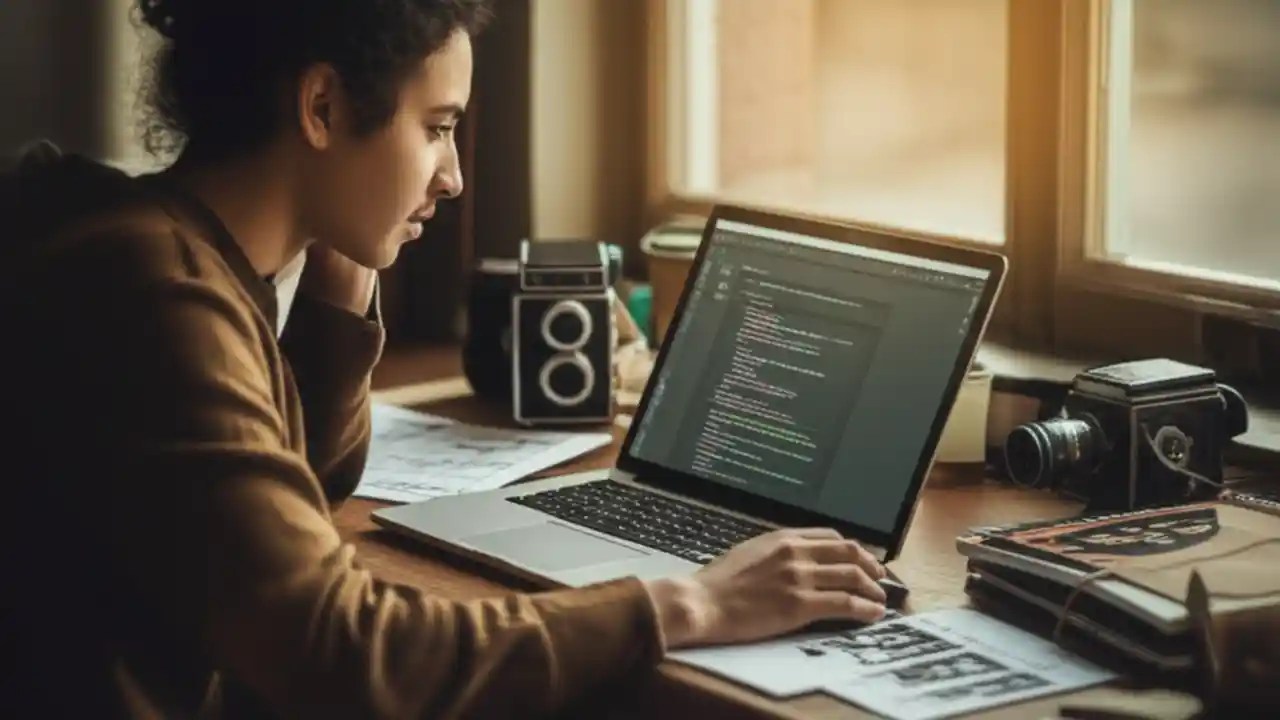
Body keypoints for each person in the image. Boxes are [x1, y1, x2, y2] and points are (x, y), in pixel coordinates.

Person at [0, 1, 889, 718]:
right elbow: (335, 650)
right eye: (437, 128)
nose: (454, 175)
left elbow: (278, 493)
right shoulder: (154, 291)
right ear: (322, 108)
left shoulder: (131, 236)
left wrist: (342, 269)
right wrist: (689, 606)